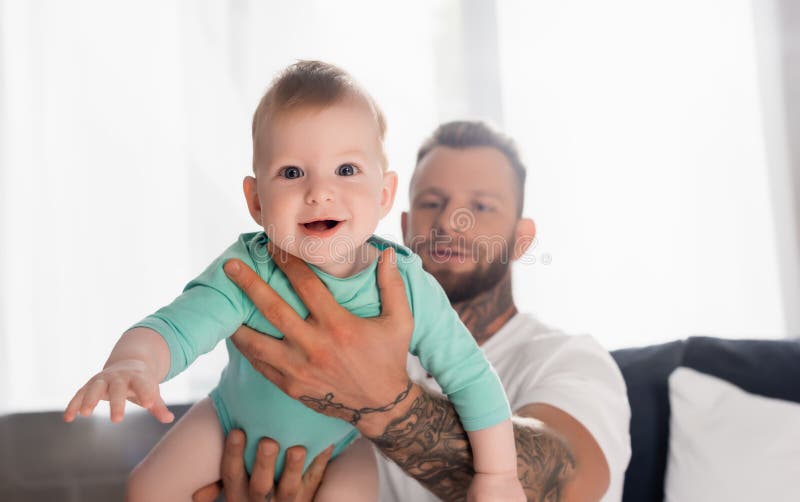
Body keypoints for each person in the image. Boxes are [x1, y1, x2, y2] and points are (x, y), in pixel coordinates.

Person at [63, 62, 524, 501]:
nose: (319, 191)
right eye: (291, 172)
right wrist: (134, 364)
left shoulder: (403, 282)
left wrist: (499, 477)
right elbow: (176, 329)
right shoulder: (251, 266)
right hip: (229, 423)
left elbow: (471, 377)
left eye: (346, 170)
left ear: (383, 195)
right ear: (257, 201)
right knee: (147, 489)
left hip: (342, 447)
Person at [197, 121, 632, 501]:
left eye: (481, 206)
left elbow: (562, 488)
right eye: (431, 203)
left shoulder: (570, 361)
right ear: (404, 228)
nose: (449, 221)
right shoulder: (330, 346)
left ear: (521, 239)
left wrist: (379, 401)